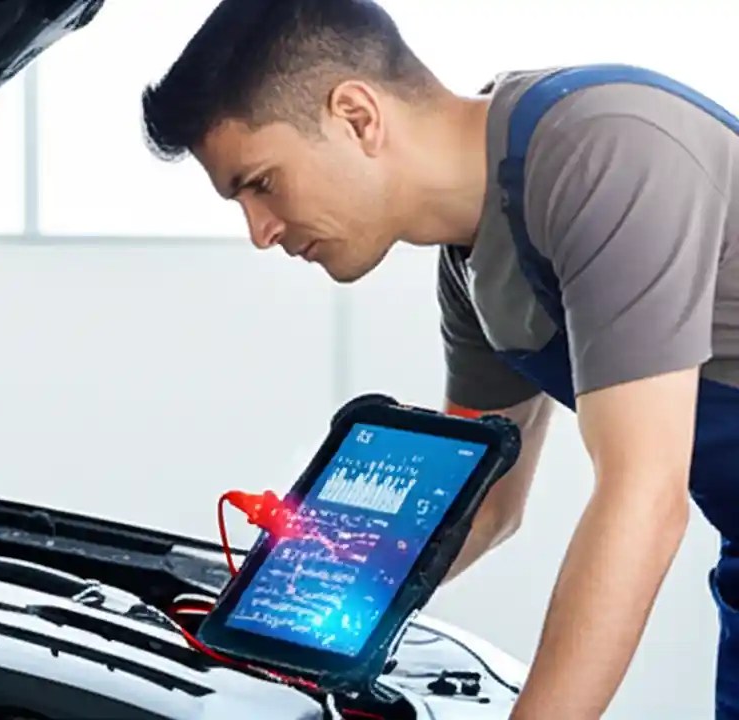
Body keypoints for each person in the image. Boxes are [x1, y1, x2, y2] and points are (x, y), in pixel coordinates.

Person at [139, 0, 739, 717]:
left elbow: (643, 499)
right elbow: (485, 505)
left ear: (357, 116)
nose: (260, 232)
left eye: (262, 183)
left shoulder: (603, 151)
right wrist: (288, 619)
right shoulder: (473, 261)